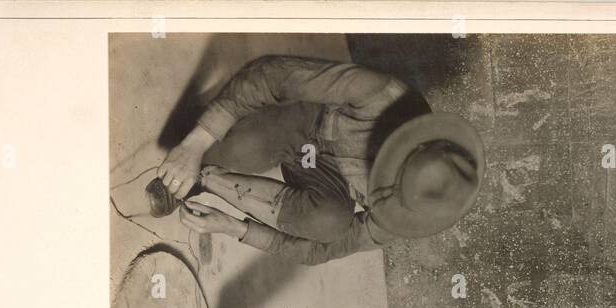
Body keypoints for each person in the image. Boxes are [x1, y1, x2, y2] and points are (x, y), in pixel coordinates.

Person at [147, 54, 485, 265]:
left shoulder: (408, 213)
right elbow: (271, 75)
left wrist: (236, 228)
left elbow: (321, 251)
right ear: (409, 142)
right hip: (307, 121)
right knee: (240, 147)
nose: (379, 187)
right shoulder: (378, 92)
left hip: (323, 176)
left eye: (388, 192)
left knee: (329, 224)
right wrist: (198, 140)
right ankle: (201, 147)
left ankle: (203, 178)